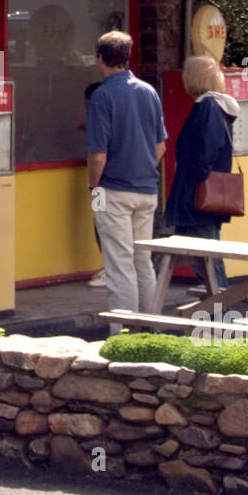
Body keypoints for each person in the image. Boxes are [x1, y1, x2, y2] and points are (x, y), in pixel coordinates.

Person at [85, 32, 167, 334]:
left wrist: (93, 189)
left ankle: (124, 335)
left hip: (110, 190)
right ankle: (149, 330)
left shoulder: (102, 96)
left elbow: (97, 156)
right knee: (142, 261)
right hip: (147, 189)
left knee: (118, 264)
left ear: (100, 58)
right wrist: (143, 167)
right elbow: (161, 147)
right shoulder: (148, 92)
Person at [162, 55, 241, 298]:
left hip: (197, 195)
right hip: (202, 194)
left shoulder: (207, 107)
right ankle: (217, 307)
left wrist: (195, 179)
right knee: (204, 255)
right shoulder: (218, 106)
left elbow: (206, 151)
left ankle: (219, 309)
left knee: (206, 257)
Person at [82, 80, 106, 288]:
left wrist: (93, 186)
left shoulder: (99, 117)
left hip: (102, 187)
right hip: (138, 184)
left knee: (102, 225)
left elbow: (97, 157)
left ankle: (109, 269)